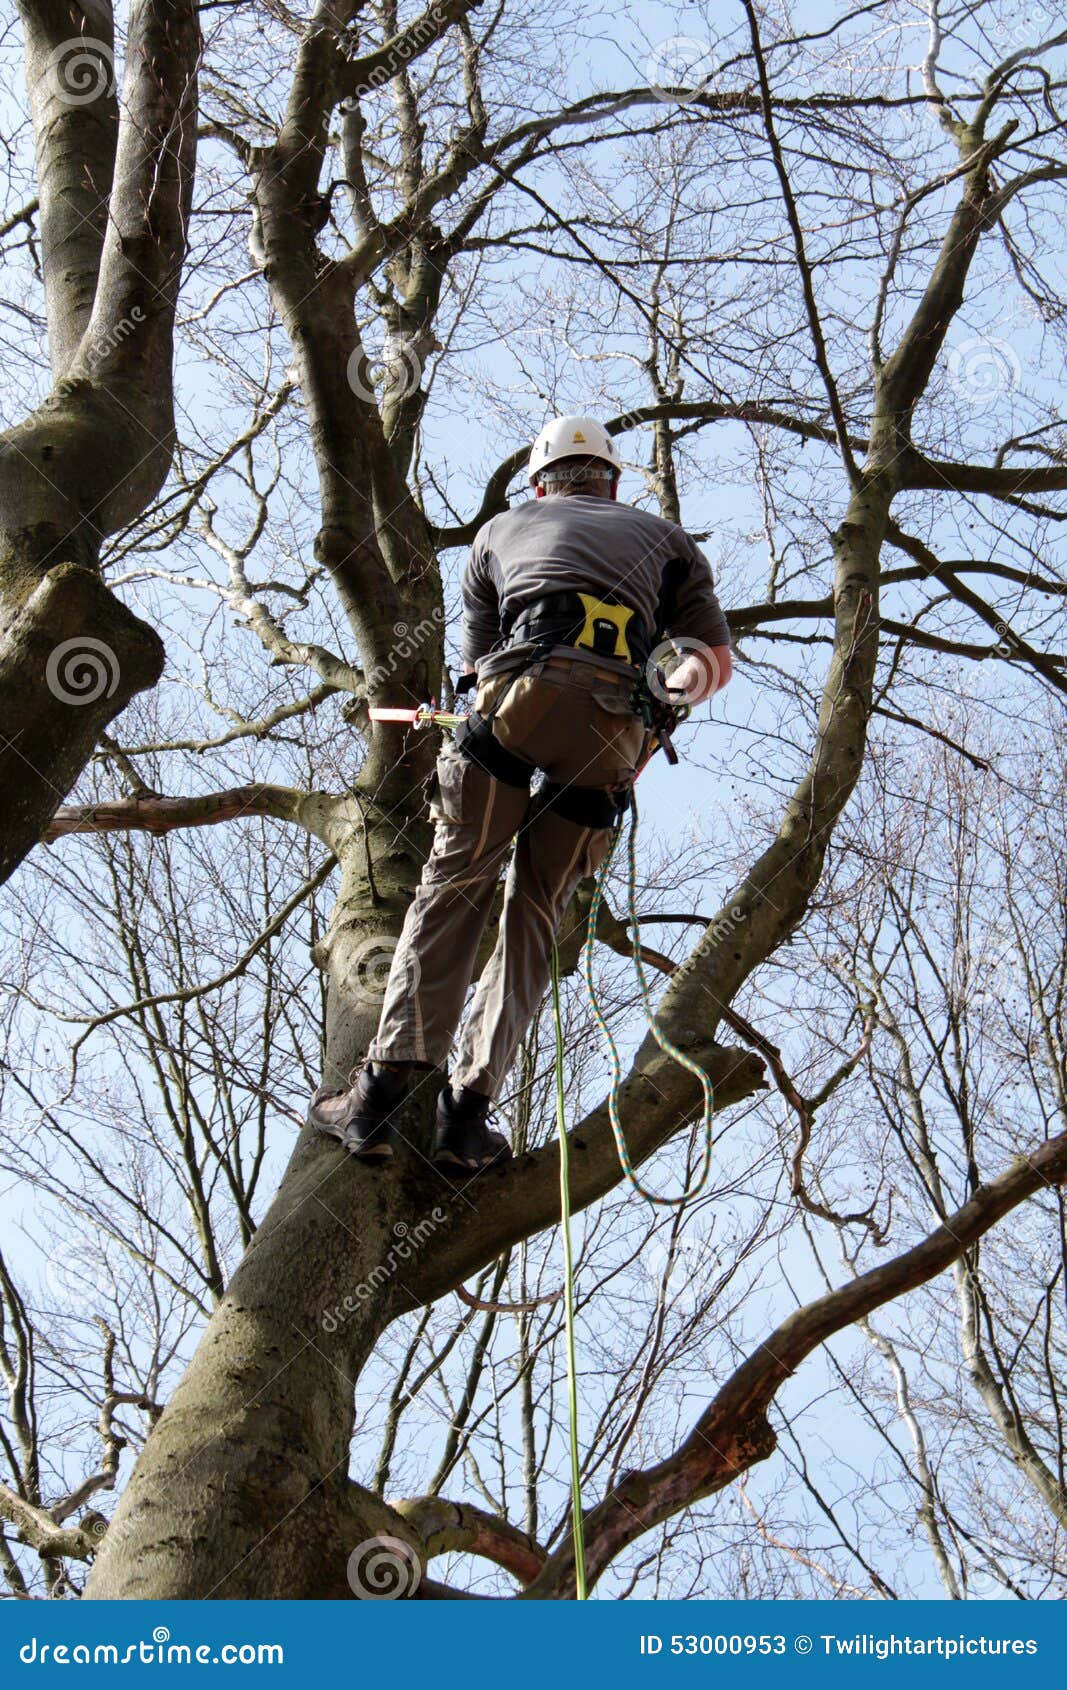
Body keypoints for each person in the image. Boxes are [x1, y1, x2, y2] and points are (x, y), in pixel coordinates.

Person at [310, 414, 732, 1174]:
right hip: (611, 729)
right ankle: (465, 1118)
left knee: (456, 882)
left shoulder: (499, 533)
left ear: (540, 485)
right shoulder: (669, 543)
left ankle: (376, 1097)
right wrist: (666, 694)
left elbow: (477, 673)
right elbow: (709, 665)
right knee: (535, 913)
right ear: (611, 484)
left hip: (514, 705)